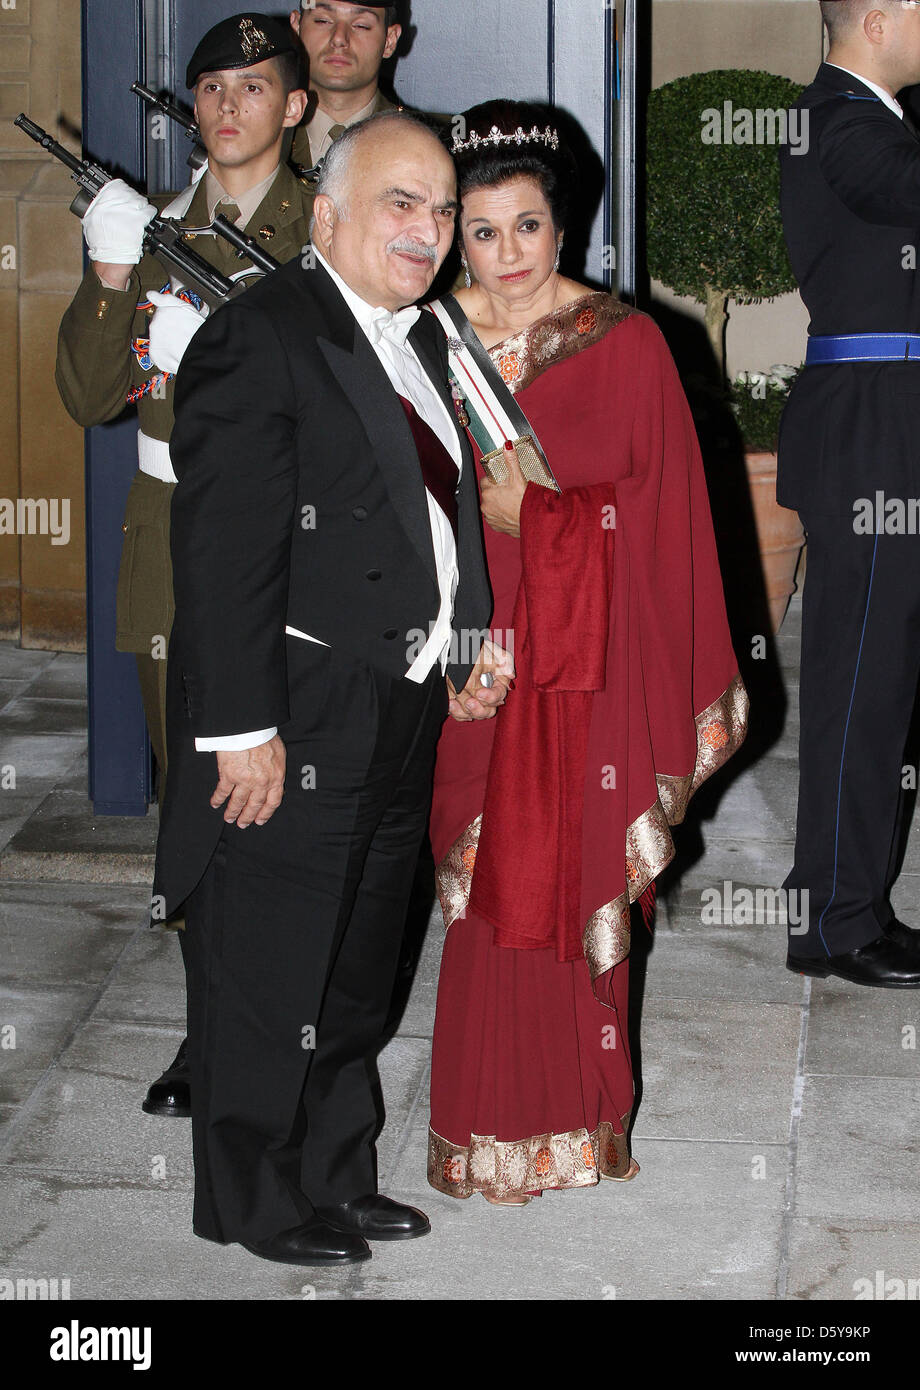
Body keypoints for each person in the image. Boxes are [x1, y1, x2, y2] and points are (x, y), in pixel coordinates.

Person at [154, 111, 509, 1265]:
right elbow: (222, 555)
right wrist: (238, 730)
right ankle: (256, 1200)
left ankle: (336, 1170)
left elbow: (441, 515)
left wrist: (462, 644)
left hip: (397, 697)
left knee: (357, 955)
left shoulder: (421, 333)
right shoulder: (265, 336)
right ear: (327, 215)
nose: (428, 228)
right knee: (271, 960)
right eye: (400, 203)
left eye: (441, 208)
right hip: (295, 708)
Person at [424, 101, 748, 1204]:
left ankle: (572, 1124)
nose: (505, 256)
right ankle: (480, 1127)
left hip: (588, 676)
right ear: (453, 232)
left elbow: (664, 533)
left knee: (567, 889)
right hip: (475, 662)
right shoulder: (425, 343)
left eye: (526, 228)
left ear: (562, 226)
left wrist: (547, 522)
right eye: (480, 231)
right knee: (481, 899)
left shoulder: (628, 344)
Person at [55, 13, 315, 1117]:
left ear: (294, 106)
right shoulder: (153, 221)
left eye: (254, 88)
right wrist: (113, 267)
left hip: (294, 535)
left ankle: (294, 1030)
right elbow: (84, 393)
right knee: (195, 802)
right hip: (171, 533)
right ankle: (209, 1031)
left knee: (296, 795)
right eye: (210, 87)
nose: (227, 108)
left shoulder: (332, 224)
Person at [779, 0, 920, 988]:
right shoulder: (834, 120)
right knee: (859, 681)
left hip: (891, 416)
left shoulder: (872, 119)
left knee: (890, 682)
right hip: (871, 428)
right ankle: (831, 919)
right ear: (877, 15)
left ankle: (851, 899)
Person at [288, 1, 402, 171]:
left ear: (389, 41)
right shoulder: (256, 139)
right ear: (297, 28)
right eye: (322, 21)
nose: (339, 38)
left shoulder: (429, 148)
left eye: (361, 25)